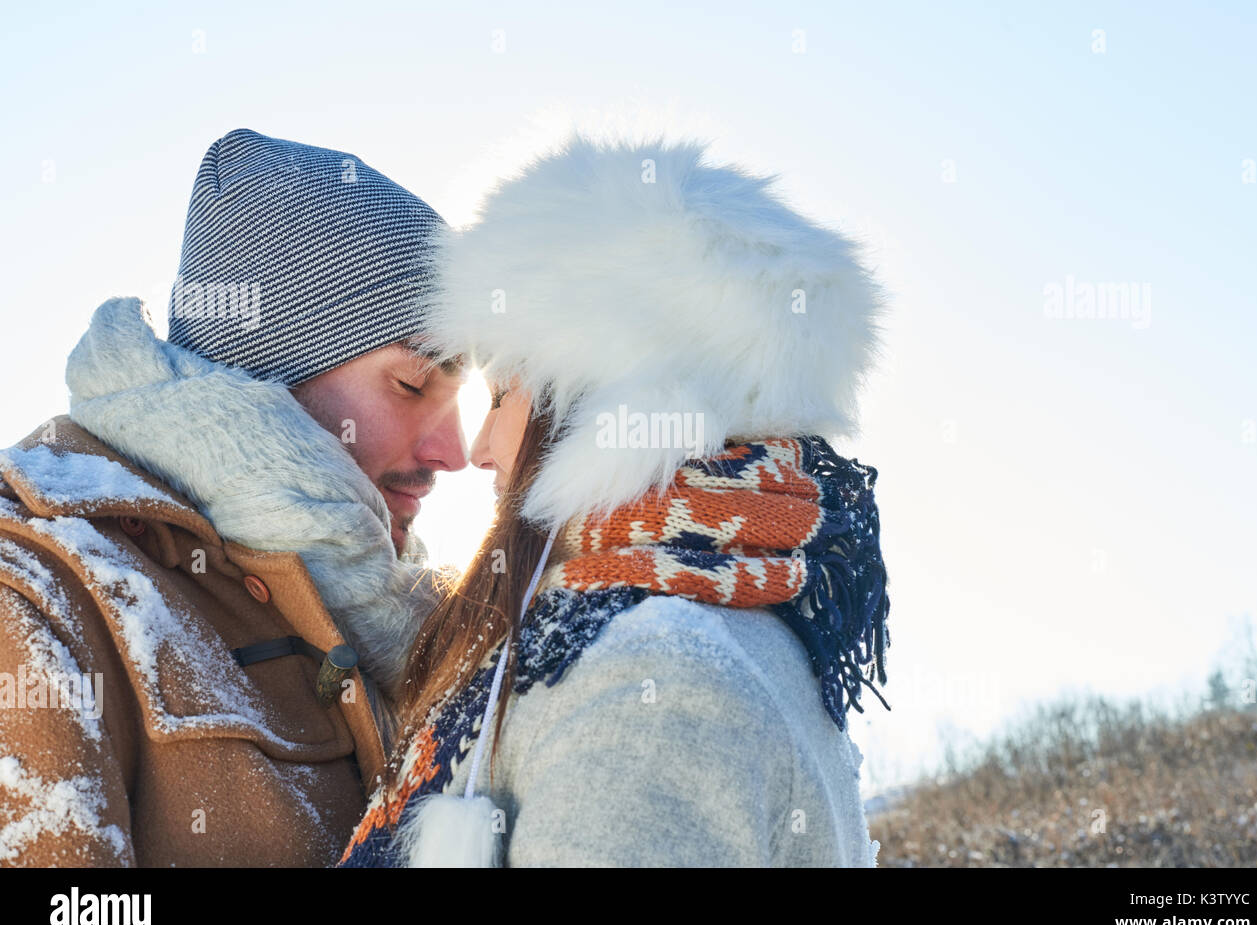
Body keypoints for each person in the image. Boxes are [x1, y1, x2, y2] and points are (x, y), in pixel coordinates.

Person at [339, 134, 891, 867]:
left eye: (501, 394)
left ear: (600, 401)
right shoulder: (714, 618)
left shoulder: (651, 681)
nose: (479, 449)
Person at [0, 129, 468, 866]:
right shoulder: (38, 594)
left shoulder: (397, 619)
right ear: (265, 370)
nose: (455, 450)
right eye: (414, 384)